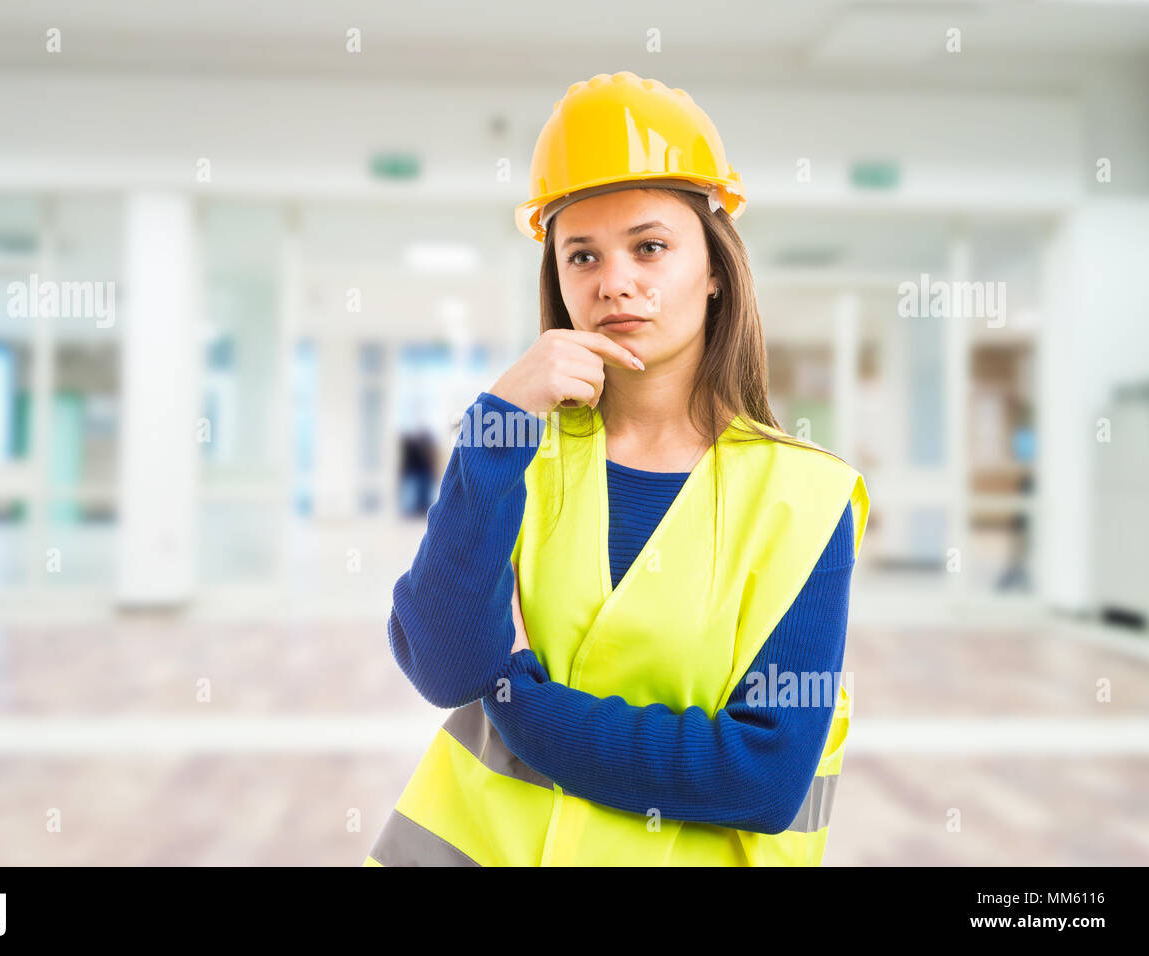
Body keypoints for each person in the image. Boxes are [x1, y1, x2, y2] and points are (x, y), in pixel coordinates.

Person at [367, 71, 870, 866]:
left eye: (650, 246)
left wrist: (524, 707)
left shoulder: (803, 499)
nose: (614, 282)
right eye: (582, 256)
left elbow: (763, 777)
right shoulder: (519, 457)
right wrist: (496, 424)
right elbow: (443, 664)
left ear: (714, 271)